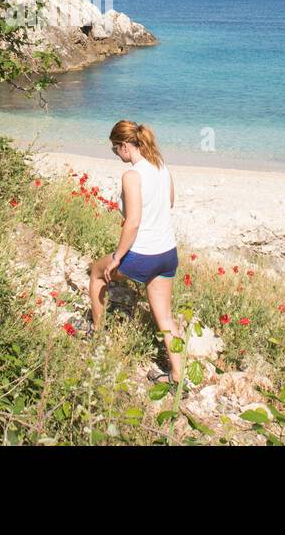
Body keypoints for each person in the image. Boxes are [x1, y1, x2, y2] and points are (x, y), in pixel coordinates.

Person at [87, 120, 184, 386]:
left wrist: (118, 257)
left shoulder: (132, 175)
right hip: (167, 253)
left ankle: (96, 334)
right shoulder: (162, 167)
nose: (116, 154)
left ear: (126, 146)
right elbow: (170, 202)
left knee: (96, 272)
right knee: (165, 317)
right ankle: (178, 376)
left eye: (115, 148)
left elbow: (133, 222)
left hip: (142, 255)